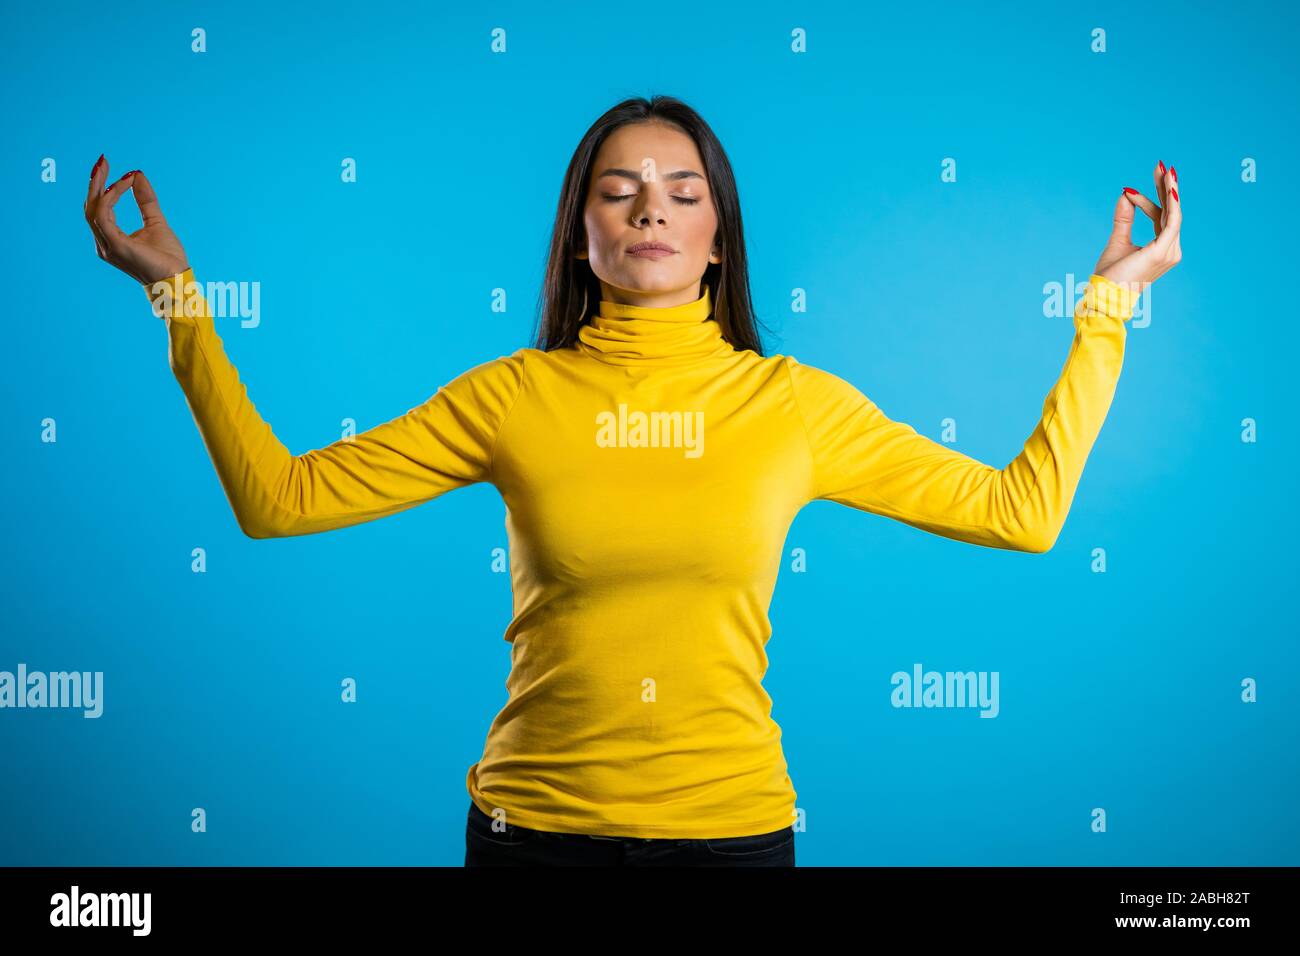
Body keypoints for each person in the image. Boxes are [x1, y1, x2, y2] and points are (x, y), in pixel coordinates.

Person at [83, 95, 1181, 867]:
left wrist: (1108, 310)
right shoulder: (513, 397)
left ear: (715, 239)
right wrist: (180, 298)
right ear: (581, 237)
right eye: (619, 191)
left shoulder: (791, 405)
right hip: (530, 841)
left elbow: (1021, 512)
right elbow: (278, 499)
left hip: (735, 840)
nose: (649, 207)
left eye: (680, 190)